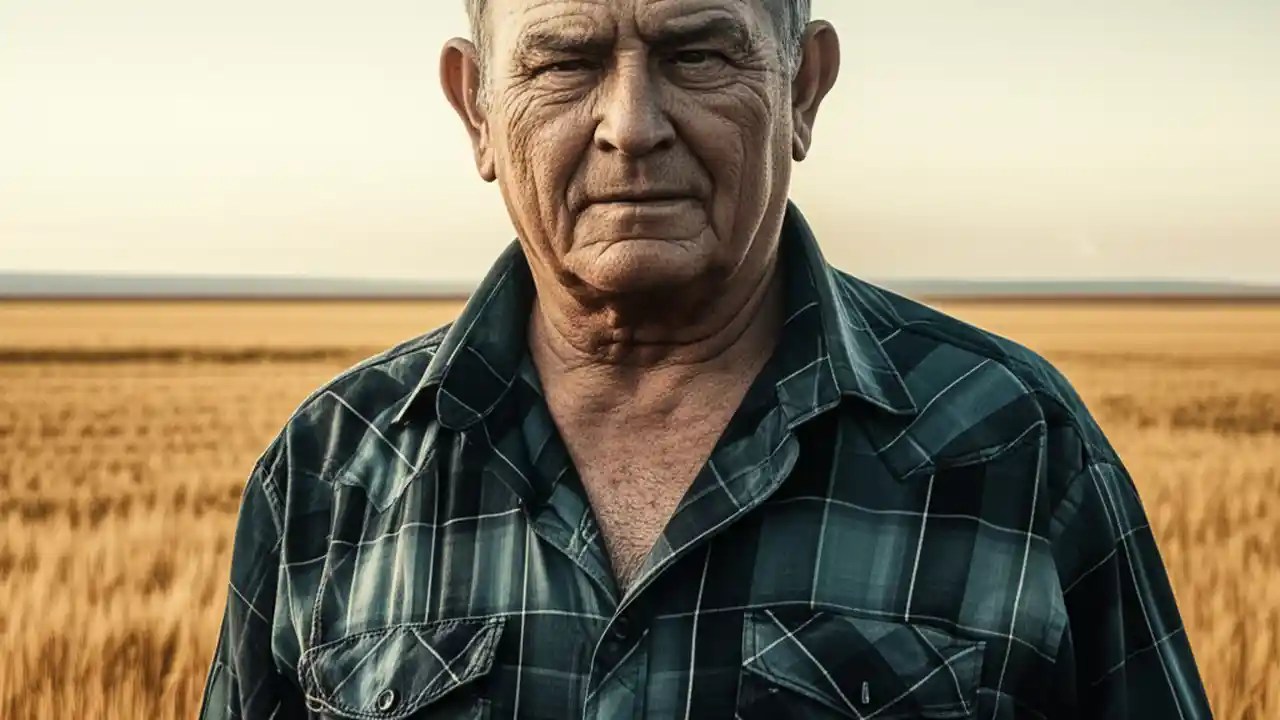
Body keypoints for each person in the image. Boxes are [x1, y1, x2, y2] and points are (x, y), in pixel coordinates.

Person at [199, 1, 1212, 717]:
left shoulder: (1010, 444)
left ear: (803, 89)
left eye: (697, 54)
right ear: (477, 110)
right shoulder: (332, 469)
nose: (631, 127)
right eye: (564, 61)